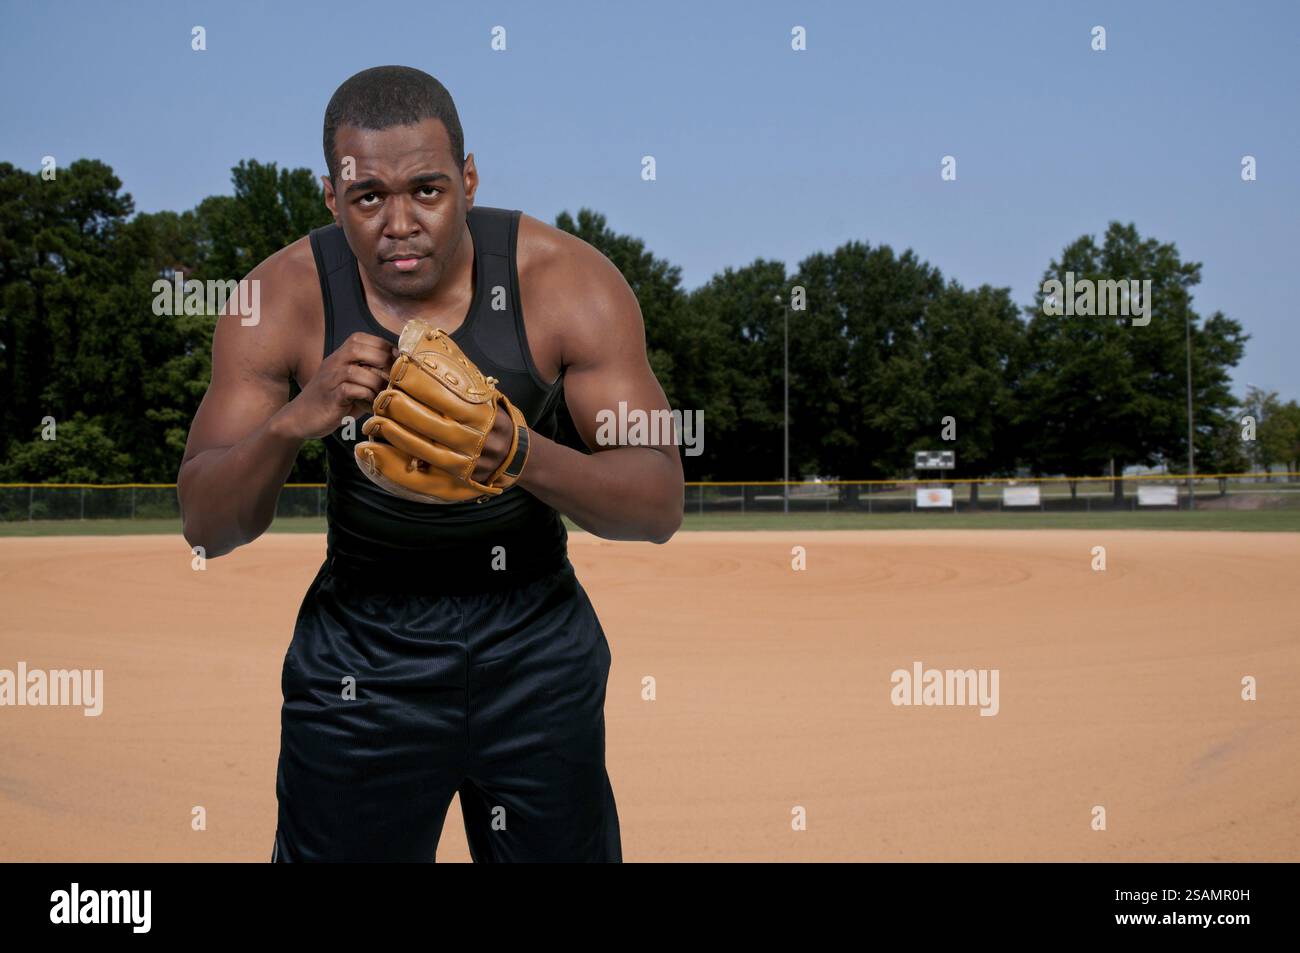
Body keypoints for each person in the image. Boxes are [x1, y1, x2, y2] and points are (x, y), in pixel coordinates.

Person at [176, 65, 684, 862]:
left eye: (428, 190)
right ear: (331, 199)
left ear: (470, 179)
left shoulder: (564, 282)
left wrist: (519, 452)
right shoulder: (279, 298)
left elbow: (657, 502)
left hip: (535, 644)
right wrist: (291, 422)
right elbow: (207, 524)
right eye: (369, 197)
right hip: (361, 654)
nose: (400, 222)